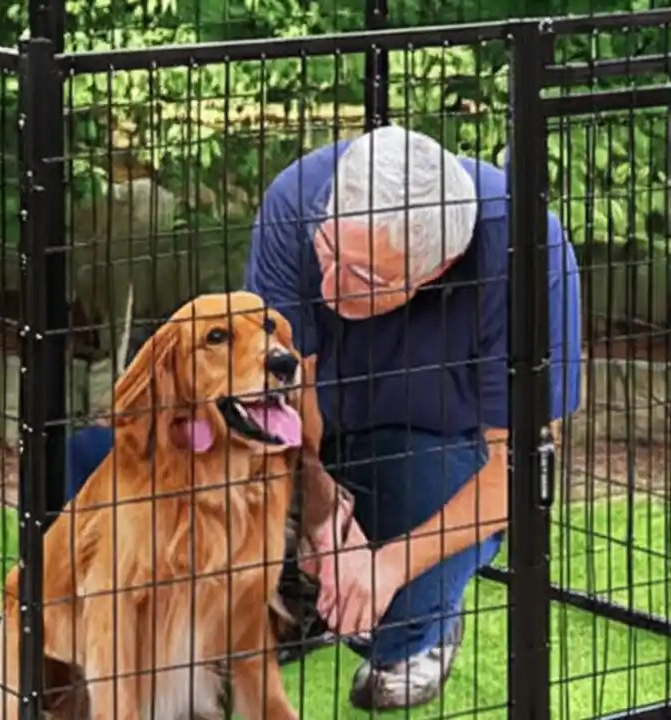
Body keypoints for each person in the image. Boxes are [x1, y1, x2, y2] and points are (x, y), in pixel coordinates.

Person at [62, 125, 582, 710]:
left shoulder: (527, 253)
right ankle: (257, 613)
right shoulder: (299, 200)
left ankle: (402, 626)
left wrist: (385, 566)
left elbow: (521, 468)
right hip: (300, 432)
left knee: (398, 596)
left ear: (434, 272)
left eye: (364, 277)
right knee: (92, 463)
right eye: (329, 251)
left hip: (430, 448)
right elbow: (277, 387)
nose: (331, 285)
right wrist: (318, 506)